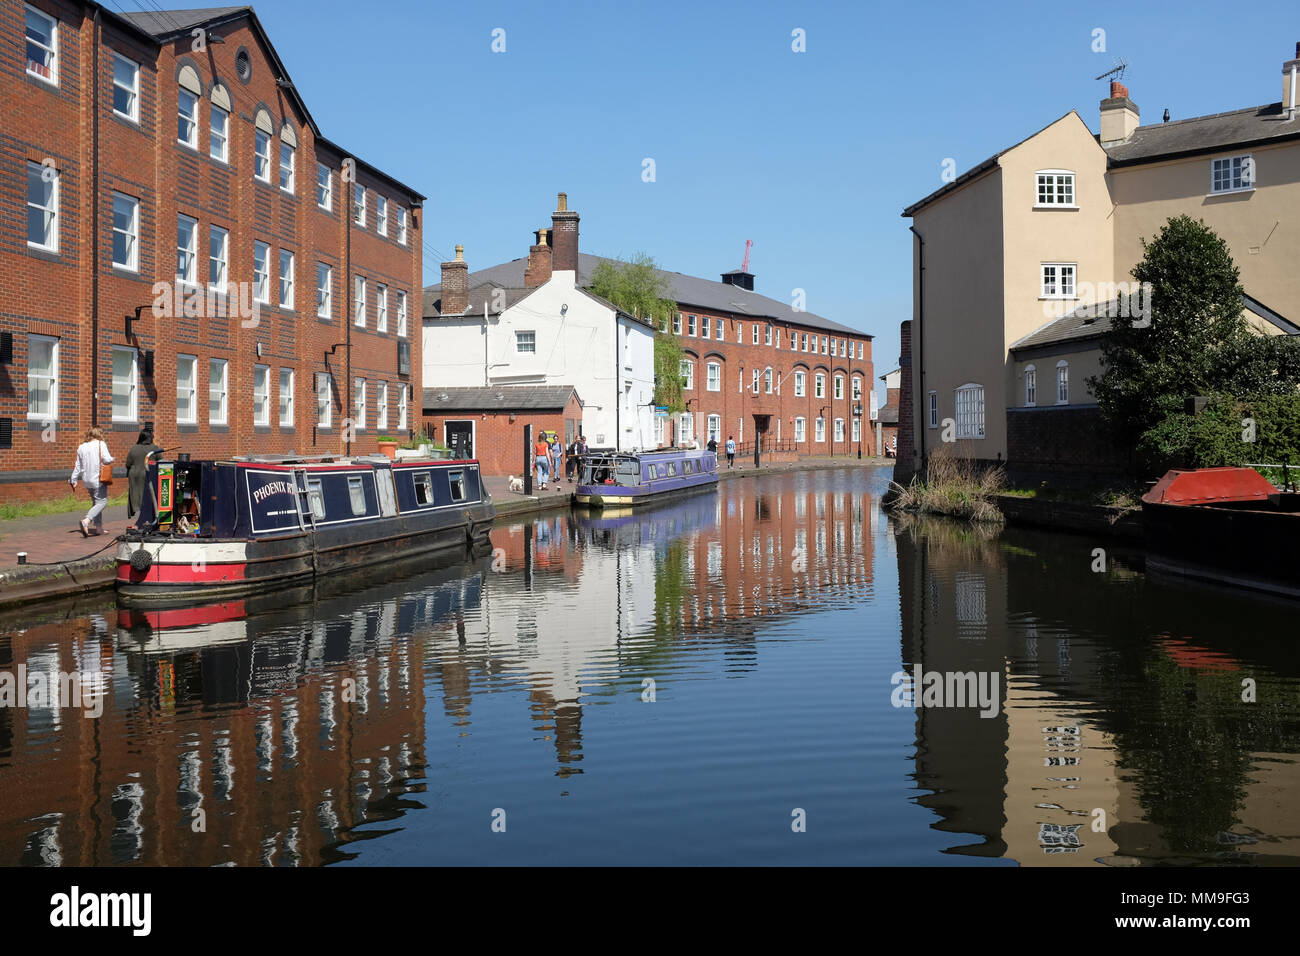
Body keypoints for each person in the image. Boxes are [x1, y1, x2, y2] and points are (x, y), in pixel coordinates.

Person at [70, 426, 114, 536]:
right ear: (99, 434)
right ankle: (86, 521)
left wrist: (74, 479)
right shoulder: (100, 444)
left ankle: (99, 528)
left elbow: (78, 465)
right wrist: (113, 459)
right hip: (98, 478)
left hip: (87, 480)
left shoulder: (81, 447)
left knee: (96, 503)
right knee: (102, 502)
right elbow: (107, 459)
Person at [125, 427, 161, 519]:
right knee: (148, 496)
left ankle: (139, 513)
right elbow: (160, 462)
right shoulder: (154, 448)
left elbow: (128, 463)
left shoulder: (134, 448)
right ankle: (146, 516)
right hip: (148, 475)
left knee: (136, 496)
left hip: (134, 475)